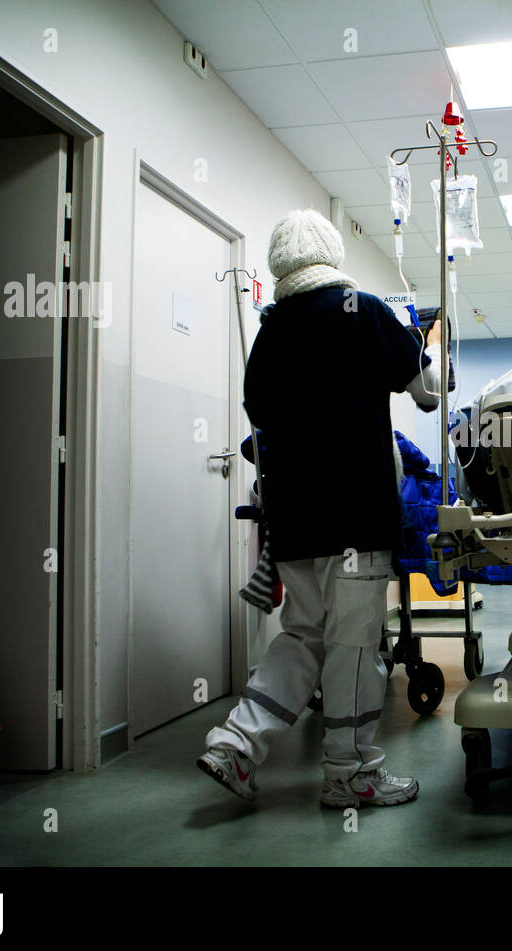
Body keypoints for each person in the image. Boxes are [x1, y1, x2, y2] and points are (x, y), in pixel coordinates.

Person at [198, 208, 441, 807]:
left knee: (302, 637)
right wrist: (427, 346)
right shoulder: (364, 310)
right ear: (333, 253)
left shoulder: (271, 330)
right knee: (355, 648)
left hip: (296, 521)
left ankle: (234, 745)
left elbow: (260, 416)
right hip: (356, 515)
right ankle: (350, 773)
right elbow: (430, 395)